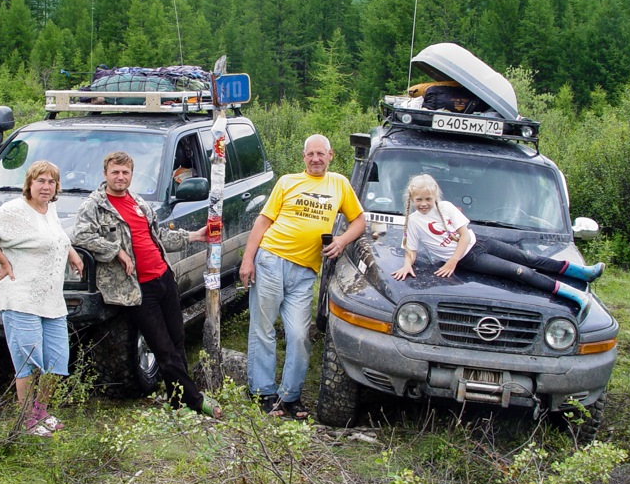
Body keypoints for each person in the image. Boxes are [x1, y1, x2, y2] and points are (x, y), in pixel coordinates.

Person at [71, 151, 221, 419]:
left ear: (131, 174)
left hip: (163, 277)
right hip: (135, 288)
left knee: (177, 341)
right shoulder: (94, 205)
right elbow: (81, 235)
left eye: (125, 172)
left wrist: (193, 236)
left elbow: (158, 235)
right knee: (162, 347)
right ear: (105, 174)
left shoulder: (138, 201)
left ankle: (177, 401)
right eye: (115, 172)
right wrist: (117, 251)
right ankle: (196, 400)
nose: (120, 177)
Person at [240, 134, 366, 419]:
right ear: (303, 156)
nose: (315, 159)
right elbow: (263, 221)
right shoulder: (287, 182)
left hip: (305, 272)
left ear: (331, 155)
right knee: (263, 328)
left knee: (298, 335)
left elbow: (359, 220)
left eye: (321, 154)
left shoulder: (340, 184)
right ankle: (262, 391)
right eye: (310, 154)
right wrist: (248, 259)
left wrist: (342, 240)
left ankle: (290, 396)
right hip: (271, 260)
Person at [0, 160, 84, 437]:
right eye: (40, 181)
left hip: (51, 299)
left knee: (56, 361)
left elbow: (57, 237)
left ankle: (41, 412)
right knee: (29, 360)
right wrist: (4, 261)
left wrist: (72, 253)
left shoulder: (50, 209)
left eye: (51, 182)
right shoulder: (15, 211)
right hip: (21, 297)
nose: (46, 187)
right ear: (29, 184)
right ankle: (26, 419)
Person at [391, 174, 604, 312]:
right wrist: (407, 264)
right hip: (470, 258)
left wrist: (451, 262)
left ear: (435, 197)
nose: (424, 204)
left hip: (479, 242)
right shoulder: (414, 221)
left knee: (529, 258)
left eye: (428, 199)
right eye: (419, 200)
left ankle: (582, 272)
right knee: (520, 271)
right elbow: (411, 248)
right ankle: (575, 295)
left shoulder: (445, 207)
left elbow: (464, 235)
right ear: (411, 199)